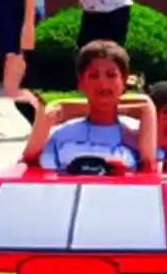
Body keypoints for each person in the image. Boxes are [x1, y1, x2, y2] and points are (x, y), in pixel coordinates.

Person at [21, 39, 156, 173]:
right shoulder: (61, 136)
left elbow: (149, 173)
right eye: (94, 76)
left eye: (111, 75)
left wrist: (123, 175)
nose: (103, 84)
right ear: (81, 82)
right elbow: (41, 176)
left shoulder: (137, 136)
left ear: (124, 81)